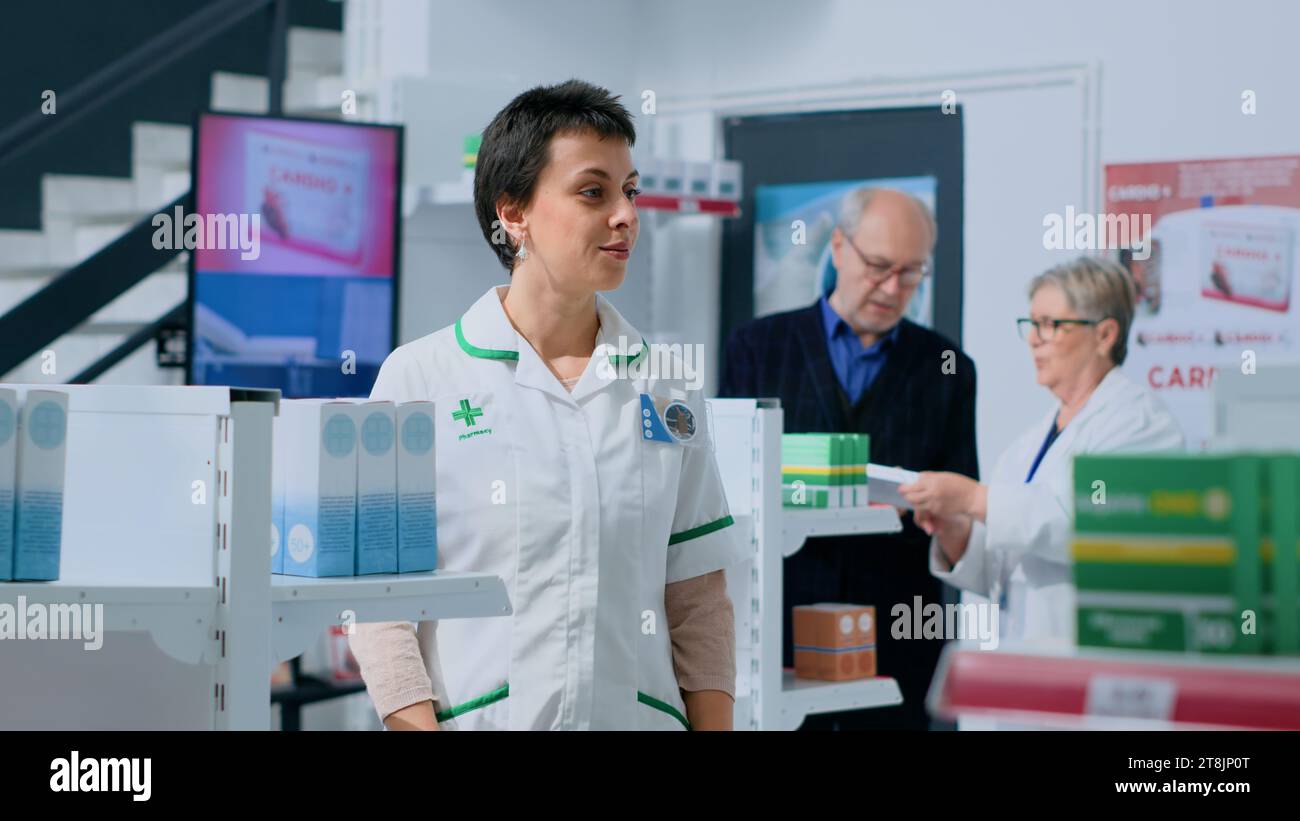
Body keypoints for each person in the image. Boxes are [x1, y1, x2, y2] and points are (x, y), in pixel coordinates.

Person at [348, 79, 744, 731]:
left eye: (630, 190)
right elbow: (378, 602)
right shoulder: (418, 378)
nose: (626, 215)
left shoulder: (667, 386)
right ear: (514, 212)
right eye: (594, 192)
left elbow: (697, 597)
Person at [720, 187, 978, 730]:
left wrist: (942, 513)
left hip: (898, 632)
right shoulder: (756, 348)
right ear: (838, 247)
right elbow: (728, 495)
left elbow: (960, 503)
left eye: (911, 273)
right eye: (879, 266)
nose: (892, 288)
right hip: (779, 624)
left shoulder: (946, 366)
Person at [900, 257, 1184, 643]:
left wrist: (972, 497)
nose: (1034, 338)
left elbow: (1095, 527)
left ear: (1104, 335)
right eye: (1032, 324)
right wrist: (955, 530)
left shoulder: (1140, 423)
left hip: (1093, 656)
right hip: (1024, 659)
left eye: (1051, 325)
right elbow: (999, 568)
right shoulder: (1029, 442)